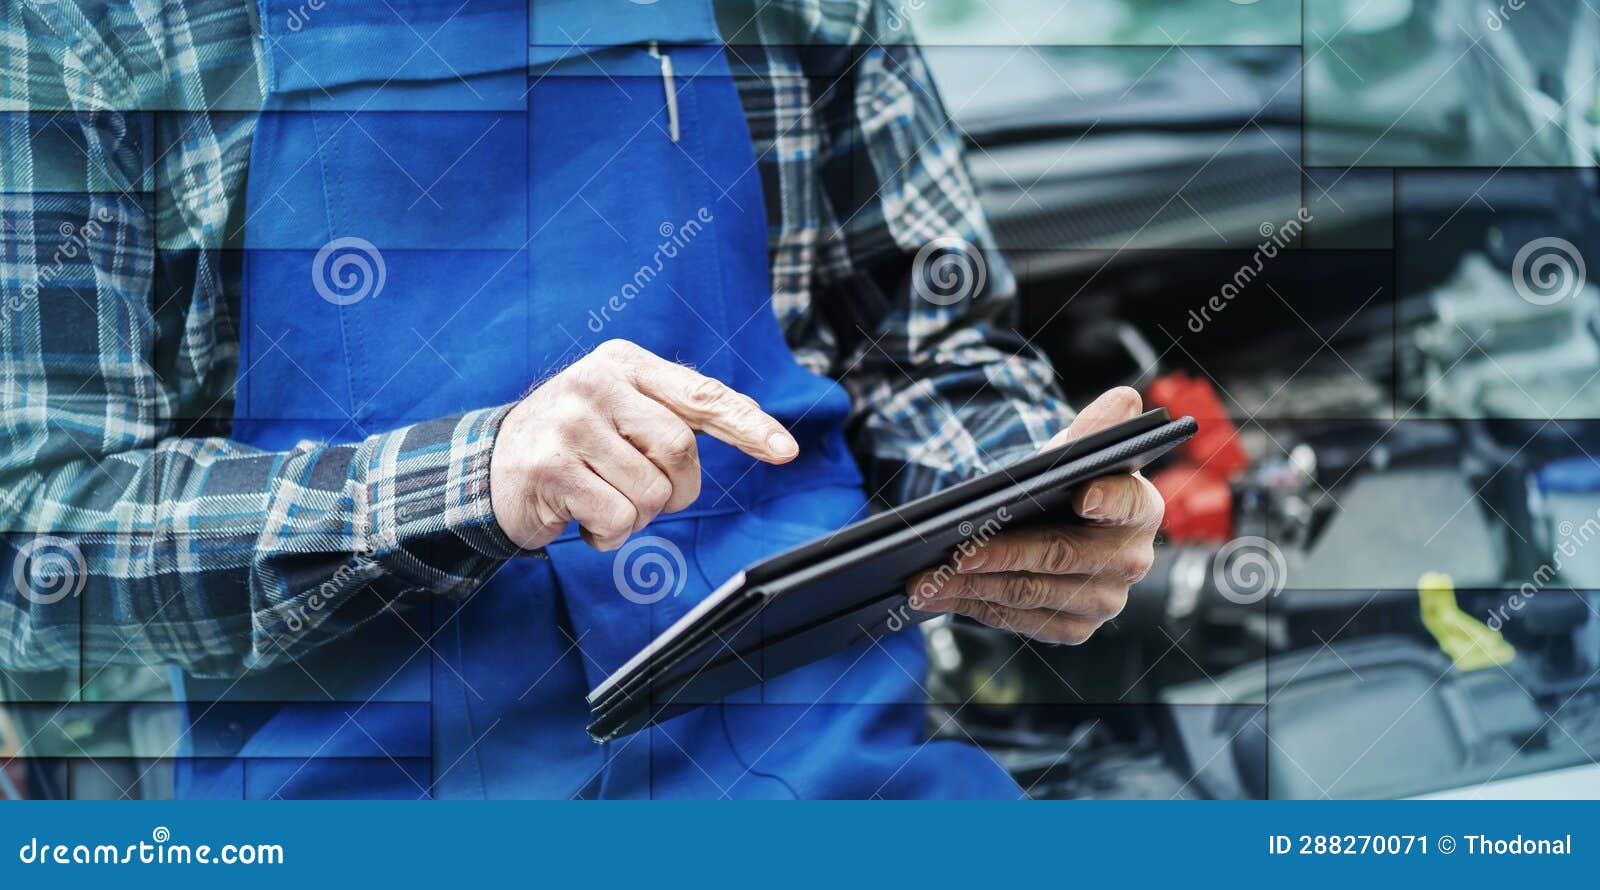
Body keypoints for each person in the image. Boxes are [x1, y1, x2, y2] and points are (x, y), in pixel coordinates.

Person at [0, 0, 1162, 798]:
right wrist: (475, 477)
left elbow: (925, 353)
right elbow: (37, 539)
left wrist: (1026, 494)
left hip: (835, 790)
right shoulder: (96, 30)